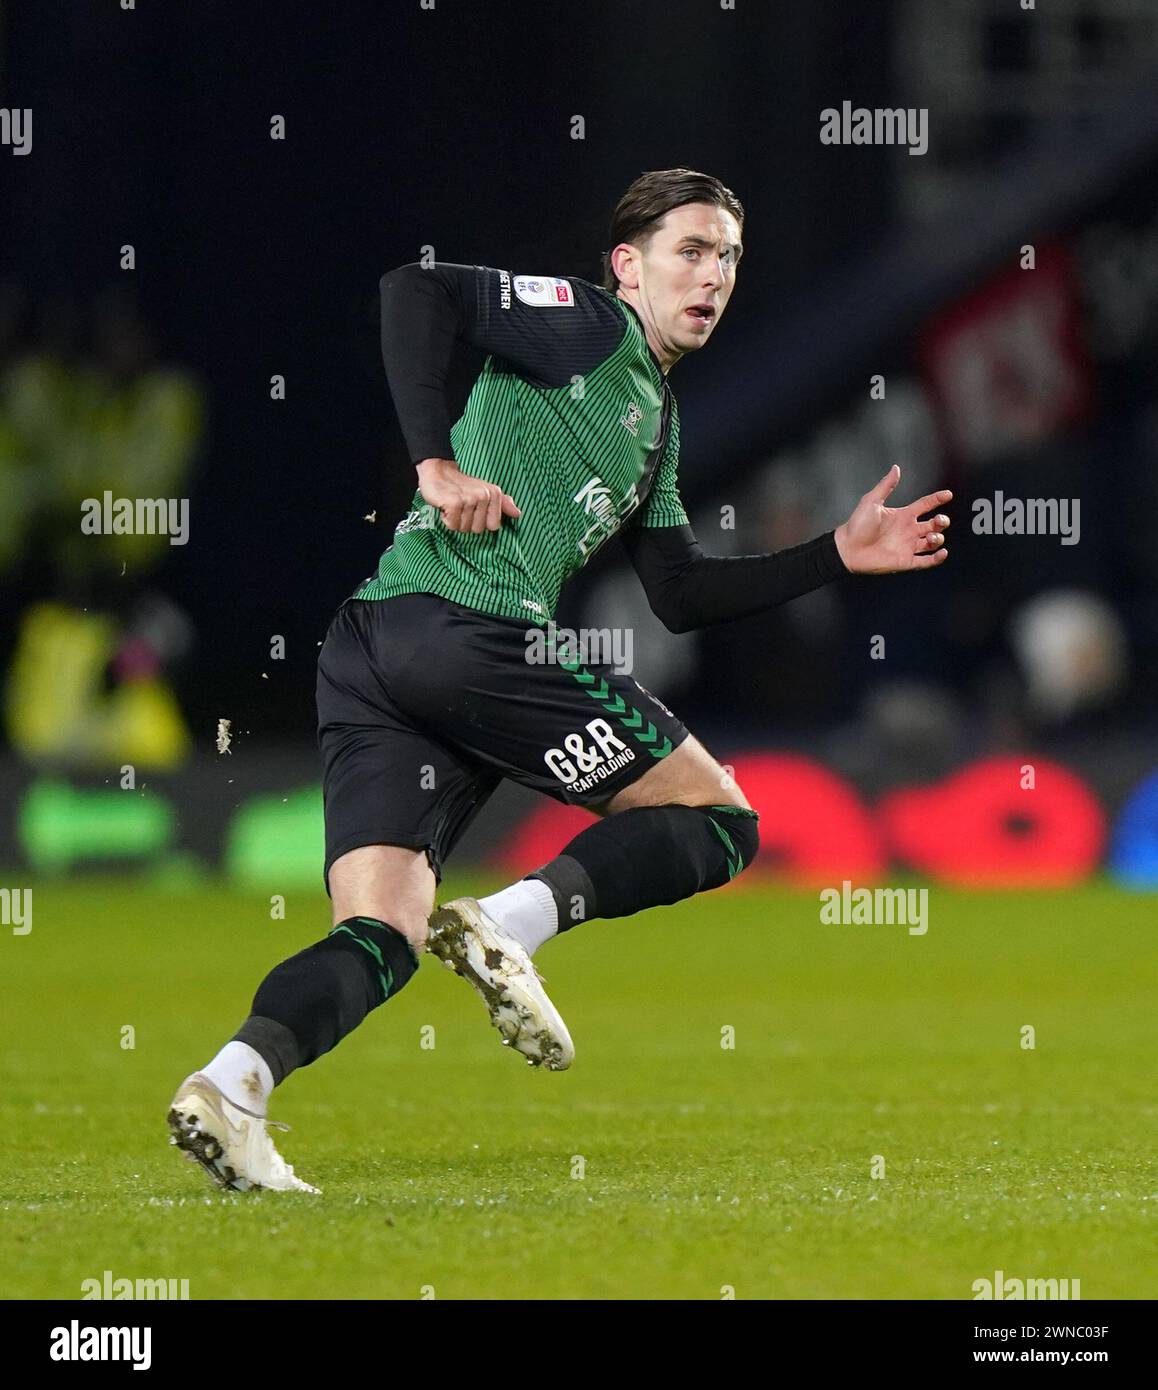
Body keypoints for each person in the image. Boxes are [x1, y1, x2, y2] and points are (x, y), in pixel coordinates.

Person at [167, 168, 952, 1193]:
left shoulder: (655, 419)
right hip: (468, 635)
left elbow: (677, 592)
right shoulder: (588, 327)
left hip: (372, 649)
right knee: (721, 819)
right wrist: (432, 464)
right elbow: (416, 287)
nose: (712, 274)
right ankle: (511, 921)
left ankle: (233, 1087)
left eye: (728, 257)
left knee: (383, 929)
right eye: (690, 250)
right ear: (628, 265)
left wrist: (833, 557)